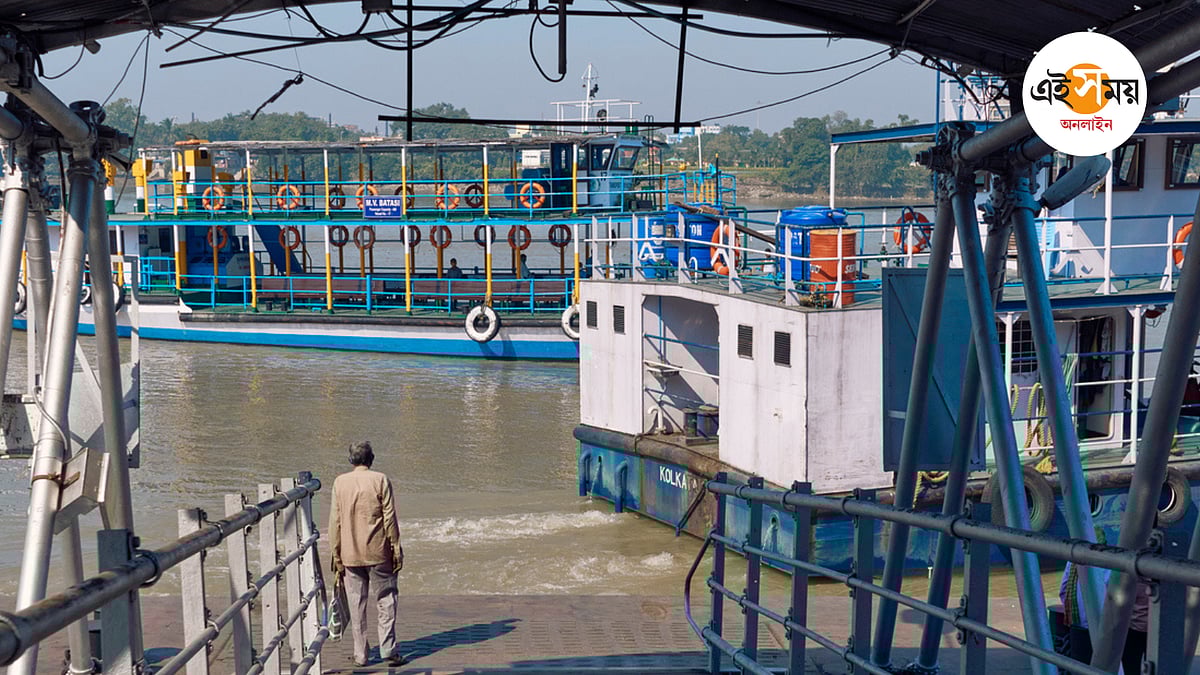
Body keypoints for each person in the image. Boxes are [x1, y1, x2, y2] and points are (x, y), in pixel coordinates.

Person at [329, 441, 405, 667]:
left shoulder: (339, 482)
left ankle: (360, 654)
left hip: (350, 552)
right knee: (387, 599)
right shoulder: (380, 479)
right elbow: (389, 518)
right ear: (371, 459)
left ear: (351, 460)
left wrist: (336, 553)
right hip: (378, 550)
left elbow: (335, 521)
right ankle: (388, 649)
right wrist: (396, 547)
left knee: (356, 603)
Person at [1059, 528, 1150, 674]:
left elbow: (1063, 591)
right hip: (1103, 628)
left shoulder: (1072, 562)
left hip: (1077, 626)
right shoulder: (1109, 562)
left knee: (1079, 667)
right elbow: (1113, 595)